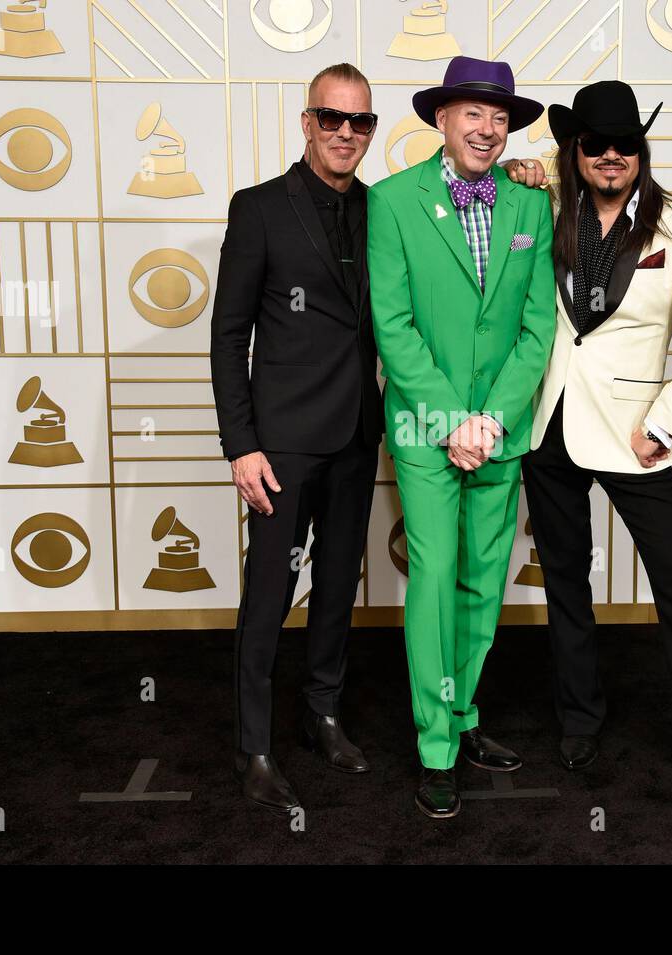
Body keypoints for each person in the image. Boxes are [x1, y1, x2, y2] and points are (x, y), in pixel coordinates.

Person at [517, 81, 672, 810]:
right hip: (549, 422)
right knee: (566, 582)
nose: (612, 155)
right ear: (574, 151)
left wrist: (667, 421)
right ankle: (579, 719)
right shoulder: (546, 204)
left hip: (633, 432)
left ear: (640, 150)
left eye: (626, 143)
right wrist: (527, 169)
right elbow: (483, 172)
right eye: (595, 143)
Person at [366, 56, 556, 819]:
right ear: (440, 120)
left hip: (499, 432)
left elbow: (538, 327)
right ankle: (436, 745)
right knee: (436, 579)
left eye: (499, 116)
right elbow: (394, 325)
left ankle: (465, 711)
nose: (487, 128)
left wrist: (493, 419)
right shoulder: (391, 202)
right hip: (425, 430)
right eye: (472, 113)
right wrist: (453, 420)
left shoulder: (529, 204)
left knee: (483, 583)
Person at [210, 63, 384, 814]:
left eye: (361, 122)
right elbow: (228, 334)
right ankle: (254, 745)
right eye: (332, 118)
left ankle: (323, 715)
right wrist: (241, 444)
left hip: (356, 435)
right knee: (269, 595)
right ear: (307, 123)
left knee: (339, 585)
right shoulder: (258, 209)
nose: (347, 132)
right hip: (279, 445)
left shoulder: (387, 211)